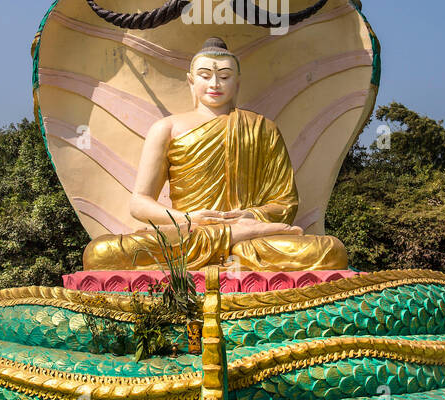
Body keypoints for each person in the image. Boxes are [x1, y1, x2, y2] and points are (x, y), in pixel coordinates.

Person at [83, 36, 348, 271]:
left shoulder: (262, 129)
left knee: (330, 251)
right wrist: (189, 219)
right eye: (205, 75)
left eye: (224, 76)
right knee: (100, 253)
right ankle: (233, 240)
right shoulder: (167, 128)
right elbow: (139, 203)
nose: (215, 83)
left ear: (237, 82)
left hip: (252, 236)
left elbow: (285, 203)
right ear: (190, 81)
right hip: (189, 235)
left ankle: (237, 238)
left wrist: (249, 216)